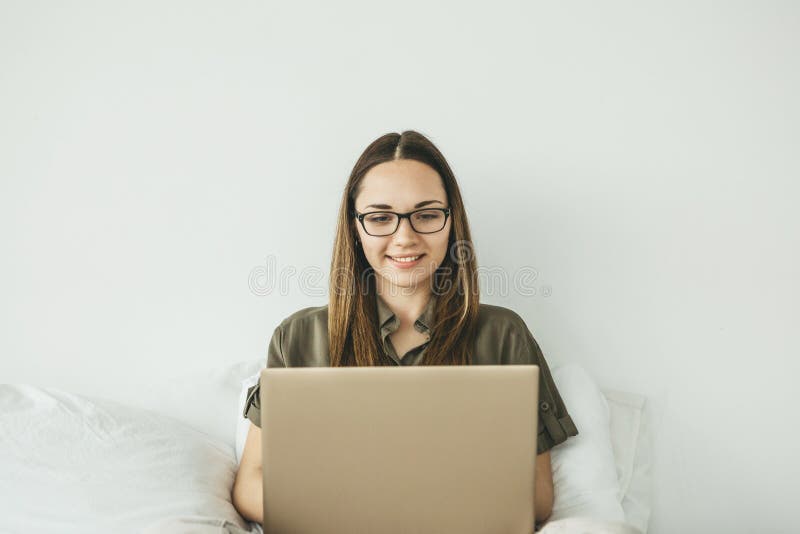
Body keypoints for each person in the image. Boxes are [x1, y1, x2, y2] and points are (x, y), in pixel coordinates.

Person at [232, 130, 578, 529]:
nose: (405, 237)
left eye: (427, 214)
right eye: (380, 218)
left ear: (452, 222)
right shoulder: (297, 338)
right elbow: (249, 484)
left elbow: (535, 498)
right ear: (356, 228)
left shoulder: (504, 335)